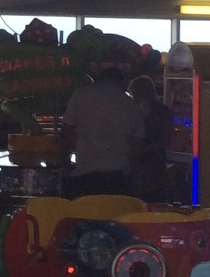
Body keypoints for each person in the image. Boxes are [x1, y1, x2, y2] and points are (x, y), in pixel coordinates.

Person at [61, 65, 143, 199]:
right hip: (118, 179)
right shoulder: (131, 105)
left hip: (84, 176)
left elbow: (66, 133)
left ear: (98, 79)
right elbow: (137, 145)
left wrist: (66, 161)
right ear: (122, 82)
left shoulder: (80, 95)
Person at [128, 75, 172, 203]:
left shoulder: (159, 112)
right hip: (146, 161)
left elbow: (165, 138)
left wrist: (144, 149)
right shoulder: (162, 111)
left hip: (152, 161)